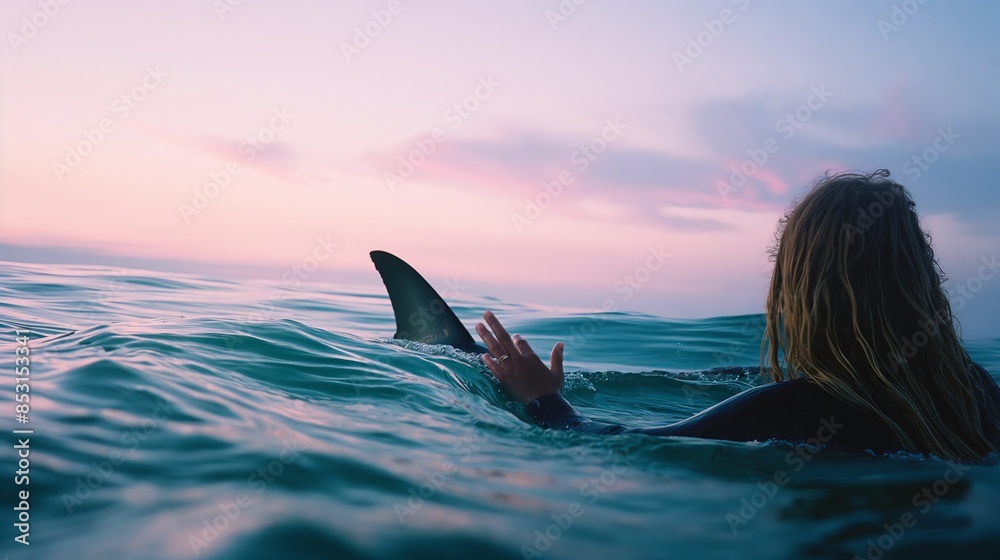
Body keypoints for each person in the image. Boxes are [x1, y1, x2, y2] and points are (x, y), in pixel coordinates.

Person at [475, 170, 1000, 461]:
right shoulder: (975, 395)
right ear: (921, 280)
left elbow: (619, 446)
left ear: (799, 290)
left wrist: (543, 399)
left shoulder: (789, 410)